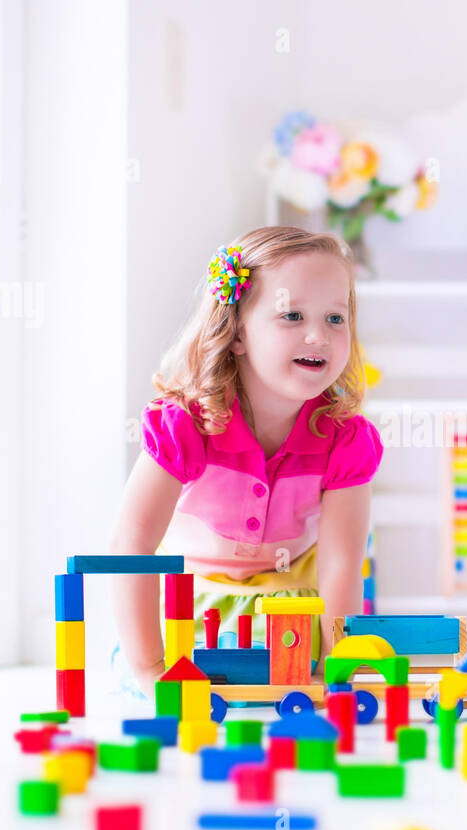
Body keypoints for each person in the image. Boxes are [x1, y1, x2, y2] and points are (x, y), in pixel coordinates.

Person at [109, 226, 382, 698]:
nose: (318, 335)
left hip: (292, 612)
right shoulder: (187, 426)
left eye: (335, 318)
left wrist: (334, 669)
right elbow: (132, 544)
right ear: (236, 333)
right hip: (191, 613)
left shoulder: (345, 439)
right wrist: (148, 665)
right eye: (292, 315)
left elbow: (342, 564)